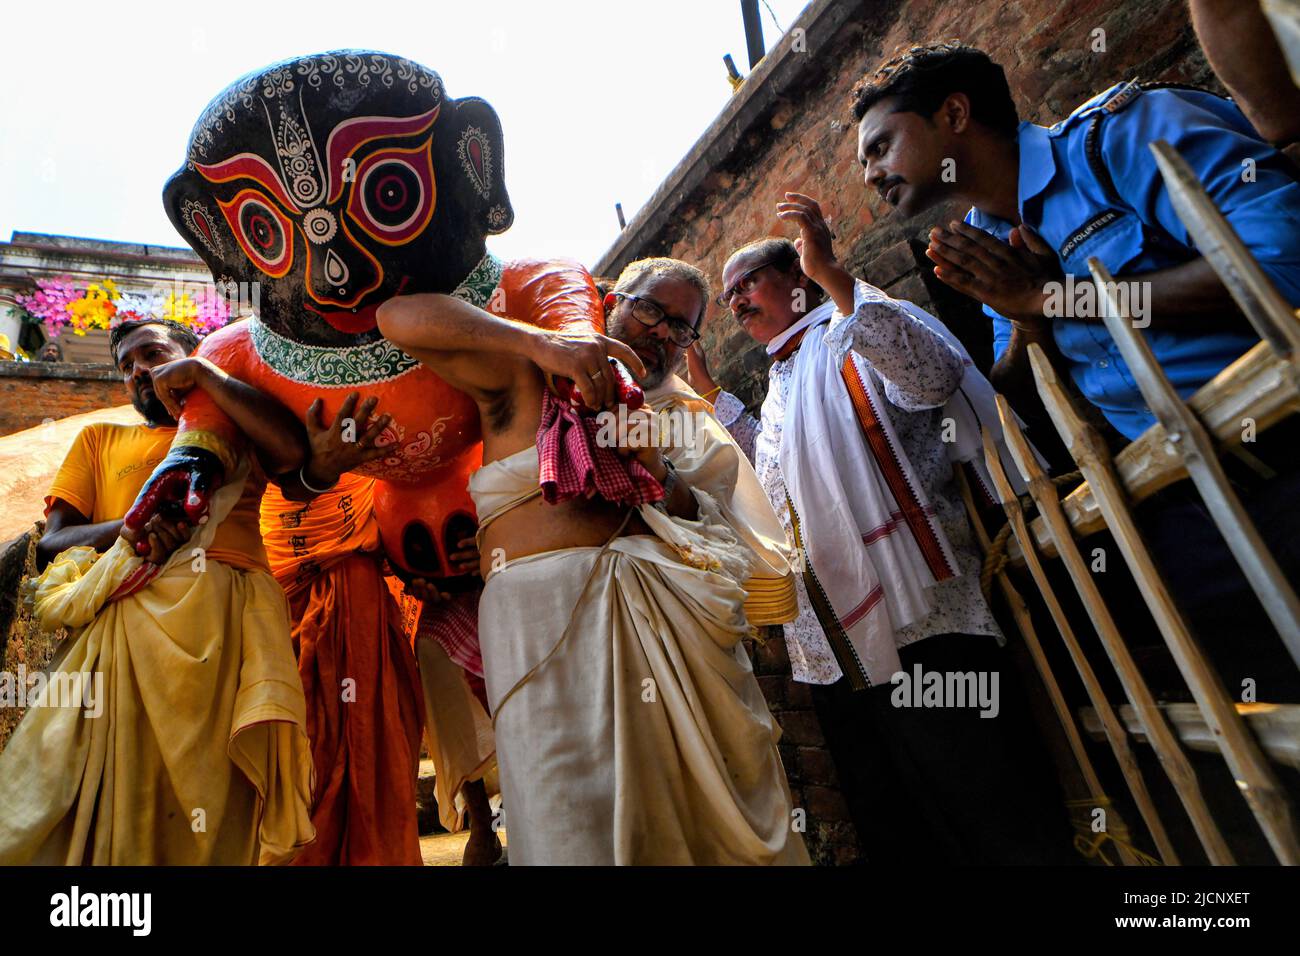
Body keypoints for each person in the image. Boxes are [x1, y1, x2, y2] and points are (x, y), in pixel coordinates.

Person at [854, 41, 1300, 699]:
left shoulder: (1123, 134)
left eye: (880, 146)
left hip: (1282, 445)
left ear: (953, 114)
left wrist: (1054, 298)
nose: (869, 172)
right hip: (1176, 502)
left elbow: (1281, 266)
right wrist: (1030, 320)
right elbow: (1021, 389)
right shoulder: (988, 239)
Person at [376, 265, 809, 866]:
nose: (662, 335)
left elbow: (714, 527)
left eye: (681, 330)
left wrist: (655, 467)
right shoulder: (526, 373)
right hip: (537, 623)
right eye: (653, 312)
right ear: (609, 304)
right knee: (566, 828)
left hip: (665, 627)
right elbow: (396, 317)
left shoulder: (687, 420)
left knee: (702, 830)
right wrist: (542, 342)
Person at [719, 206, 1075, 864]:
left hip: (924, 616)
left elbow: (933, 380)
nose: (736, 298)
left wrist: (836, 278)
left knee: (990, 796)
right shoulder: (777, 388)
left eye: (748, 280)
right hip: (842, 642)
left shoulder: (861, 324)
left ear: (797, 275)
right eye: (728, 294)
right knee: (914, 813)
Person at [0, 317, 315, 865]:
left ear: (193, 352)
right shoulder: (100, 438)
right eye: (125, 366)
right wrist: (127, 528)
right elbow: (53, 544)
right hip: (127, 627)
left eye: (151, 353)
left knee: (218, 792)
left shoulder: (237, 420)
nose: (139, 371)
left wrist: (208, 378)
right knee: (112, 786)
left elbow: (292, 454)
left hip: (231, 624)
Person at [259, 394, 501, 865]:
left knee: (377, 727)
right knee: (305, 735)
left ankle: (383, 848)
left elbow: (401, 524)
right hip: (280, 596)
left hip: (369, 598)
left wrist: (437, 568)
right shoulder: (262, 435)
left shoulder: (383, 446)